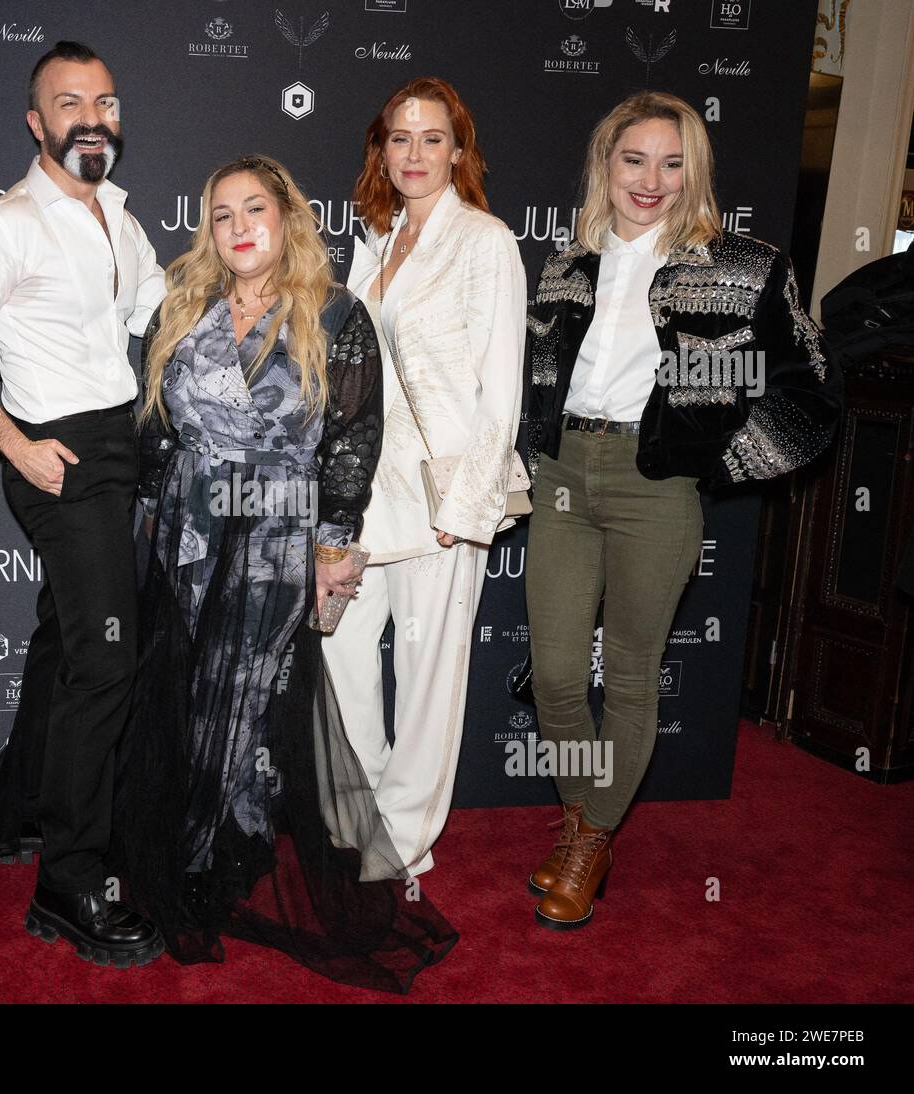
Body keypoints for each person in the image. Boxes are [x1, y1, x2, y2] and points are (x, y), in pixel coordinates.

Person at [111, 153, 458, 993]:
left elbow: (351, 441)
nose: (239, 228)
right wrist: (148, 515)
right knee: (186, 691)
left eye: (255, 210)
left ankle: (207, 860)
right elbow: (148, 422)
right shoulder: (179, 304)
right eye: (222, 214)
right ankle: (213, 841)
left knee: (246, 691)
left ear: (288, 219)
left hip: (274, 531)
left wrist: (334, 545)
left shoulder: (335, 315)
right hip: (185, 528)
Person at [523, 90, 842, 929]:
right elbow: (537, 370)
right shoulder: (568, 259)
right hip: (562, 473)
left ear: (694, 172)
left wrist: (718, 462)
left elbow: (808, 388)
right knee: (556, 675)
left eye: (673, 163)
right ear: (606, 164)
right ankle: (587, 816)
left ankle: (587, 839)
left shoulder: (741, 265)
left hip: (655, 484)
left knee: (628, 673)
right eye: (635, 159)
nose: (652, 180)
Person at [0, 41, 166, 968]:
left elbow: (156, 313)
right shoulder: (3, 224)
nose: (91, 118)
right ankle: (70, 883)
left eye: (104, 100)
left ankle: (26, 811)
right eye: (70, 103)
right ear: (37, 122)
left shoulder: (124, 222)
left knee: (70, 647)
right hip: (58, 455)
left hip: (119, 446)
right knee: (107, 662)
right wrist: (18, 447)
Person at [321, 78, 526, 877]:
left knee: (428, 676)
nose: (414, 153)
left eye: (432, 138)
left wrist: (467, 505)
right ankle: (357, 814)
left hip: (442, 498)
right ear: (382, 150)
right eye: (399, 138)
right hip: (363, 496)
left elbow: (501, 389)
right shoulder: (372, 243)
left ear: (459, 150)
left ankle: (402, 845)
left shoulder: (485, 242)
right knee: (340, 664)